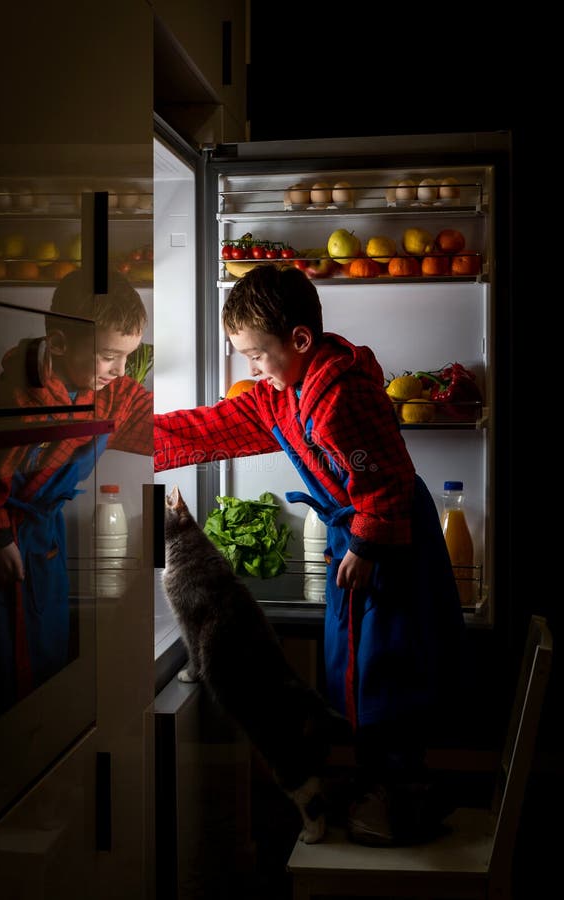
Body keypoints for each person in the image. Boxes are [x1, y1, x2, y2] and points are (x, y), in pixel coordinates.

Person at [154, 263, 466, 845]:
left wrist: (367, 543)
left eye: (256, 355)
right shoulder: (285, 395)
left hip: (392, 542)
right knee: (353, 661)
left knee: (389, 662)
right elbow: (215, 427)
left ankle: (402, 790)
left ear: (299, 340)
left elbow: (390, 476)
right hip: (357, 540)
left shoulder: (342, 393)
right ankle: (374, 779)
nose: (250, 369)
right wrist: (134, 438)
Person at [0, 268, 153, 726]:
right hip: (3, 544)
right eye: (109, 357)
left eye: (127, 358)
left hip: (45, 542)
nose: (120, 371)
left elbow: (158, 424)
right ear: (57, 344)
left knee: (48, 652)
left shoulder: (111, 394)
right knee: (6, 666)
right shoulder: (19, 395)